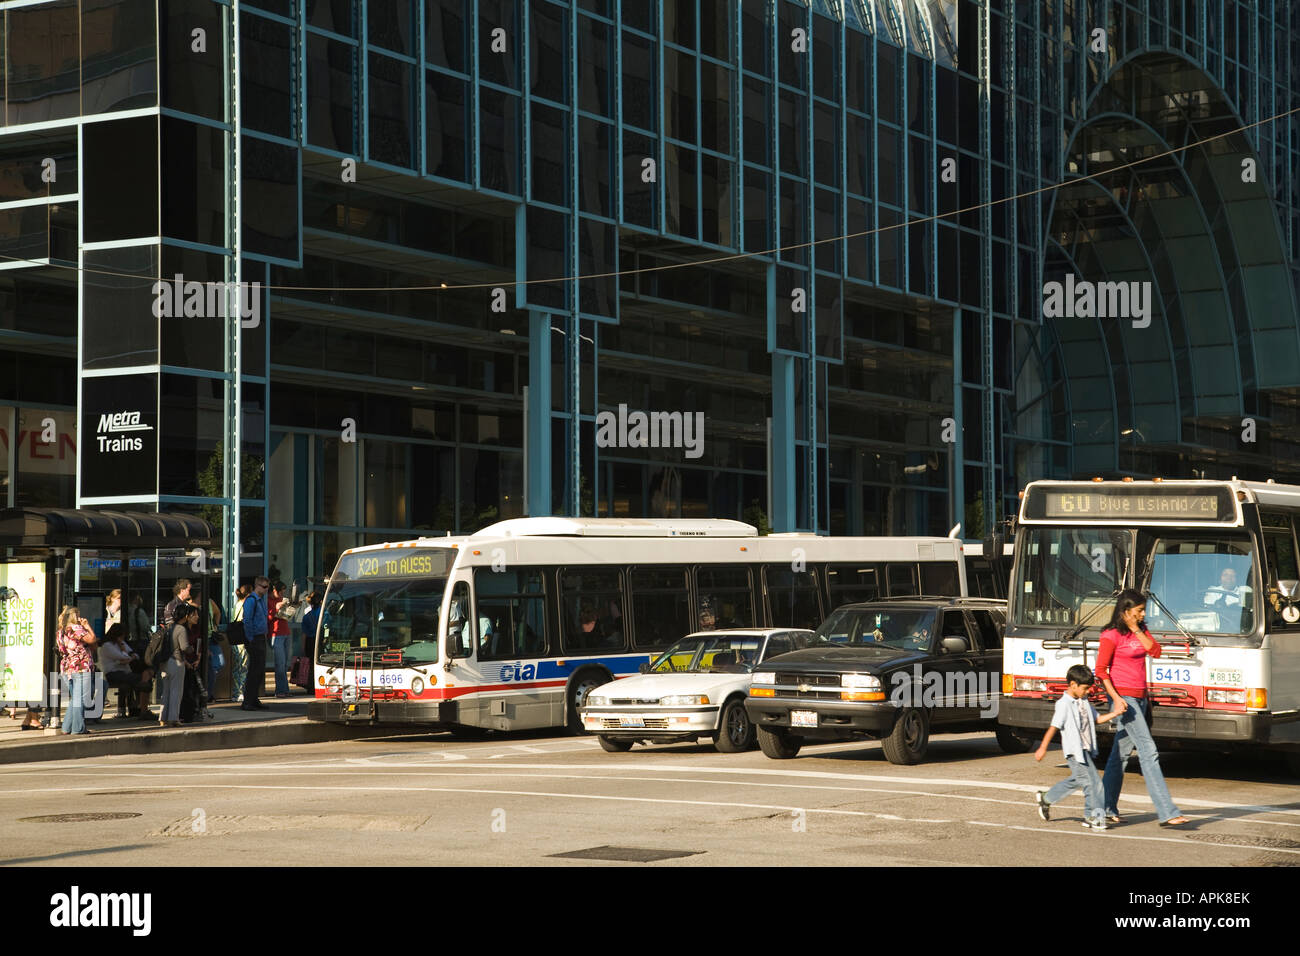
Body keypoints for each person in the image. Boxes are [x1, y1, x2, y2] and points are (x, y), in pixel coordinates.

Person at [1096, 589, 1190, 827]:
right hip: (1125, 699)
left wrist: (1137, 629)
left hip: (1141, 698)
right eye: (1138, 610)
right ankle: (1167, 812)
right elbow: (1101, 671)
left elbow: (1155, 651)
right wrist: (1116, 699)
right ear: (1125, 611)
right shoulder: (1110, 635)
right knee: (1149, 750)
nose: (1143, 614)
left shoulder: (1140, 630)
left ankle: (1105, 808)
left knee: (1120, 754)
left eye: (1142, 610)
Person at [1033, 664, 1122, 829]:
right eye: (1085, 688)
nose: (1088, 691)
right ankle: (1092, 817)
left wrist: (1115, 713)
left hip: (1085, 750)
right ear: (1073, 685)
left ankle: (1046, 798)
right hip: (1074, 752)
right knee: (1094, 783)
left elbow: (1097, 720)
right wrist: (1042, 748)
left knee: (1079, 780)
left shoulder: (1084, 701)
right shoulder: (1064, 704)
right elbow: (1054, 726)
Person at [98, 623, 154, 718]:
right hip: (113, 673)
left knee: (142, 679)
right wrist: (125, 654)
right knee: (140, 679)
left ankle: (138, 708)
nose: (123, 637)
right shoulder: (107, 646)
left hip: (124, 672)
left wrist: (127, 658)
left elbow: (134, 655)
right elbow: (123, 656)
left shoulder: (121, 643)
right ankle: (142, 710)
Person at [55, 606, 97, 735]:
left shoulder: (60, 631)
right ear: (75, 616)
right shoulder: (76, 628)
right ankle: (78, 728)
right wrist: (88, 626)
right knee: (81, 699)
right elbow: (92, 639)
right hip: (81, 666)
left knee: (75, 699)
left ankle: (67, 727)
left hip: (67, 668)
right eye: (78, 615)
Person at [158, 604, 193, 727]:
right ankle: (173, 718)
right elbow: (184, 647)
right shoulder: (181, 629)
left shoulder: (168, 627)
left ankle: (163, 718)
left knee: (166, 691)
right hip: (176, 661)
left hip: (164, 662)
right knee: (176, 691)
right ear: (186, 616)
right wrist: (191, 649)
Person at [241, 578, 270, 710]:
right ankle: (248, 701)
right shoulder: (251, 600)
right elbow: (247, 620)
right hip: (254, 638)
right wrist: (250, 639)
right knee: (254, 671)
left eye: (267, 587)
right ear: (257, 586)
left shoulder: (261, 601)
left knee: (259, 670)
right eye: (264, 587)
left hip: (260, 637)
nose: (266, 589)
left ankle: (253, 698)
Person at [268, 581, 291, 698]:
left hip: (285, 632)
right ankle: (280, 690)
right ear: (274, 590)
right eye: (281, 591)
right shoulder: (268, 601)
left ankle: (285, 689)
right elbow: (266, 618)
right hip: (275, 634)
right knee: (280, 663)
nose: (282, 593)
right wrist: (276, 609)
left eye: (284, 591)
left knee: (285, 663)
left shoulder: (280, 600)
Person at [206, 594, 225, 702]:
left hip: (212, 636)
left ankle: (209, 690)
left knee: (219, 663)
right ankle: (208, 694)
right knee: (210, 668)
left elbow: (217, 612)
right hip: (203, 638)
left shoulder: (209, 601)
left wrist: (215, 626)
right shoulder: (192, 603)